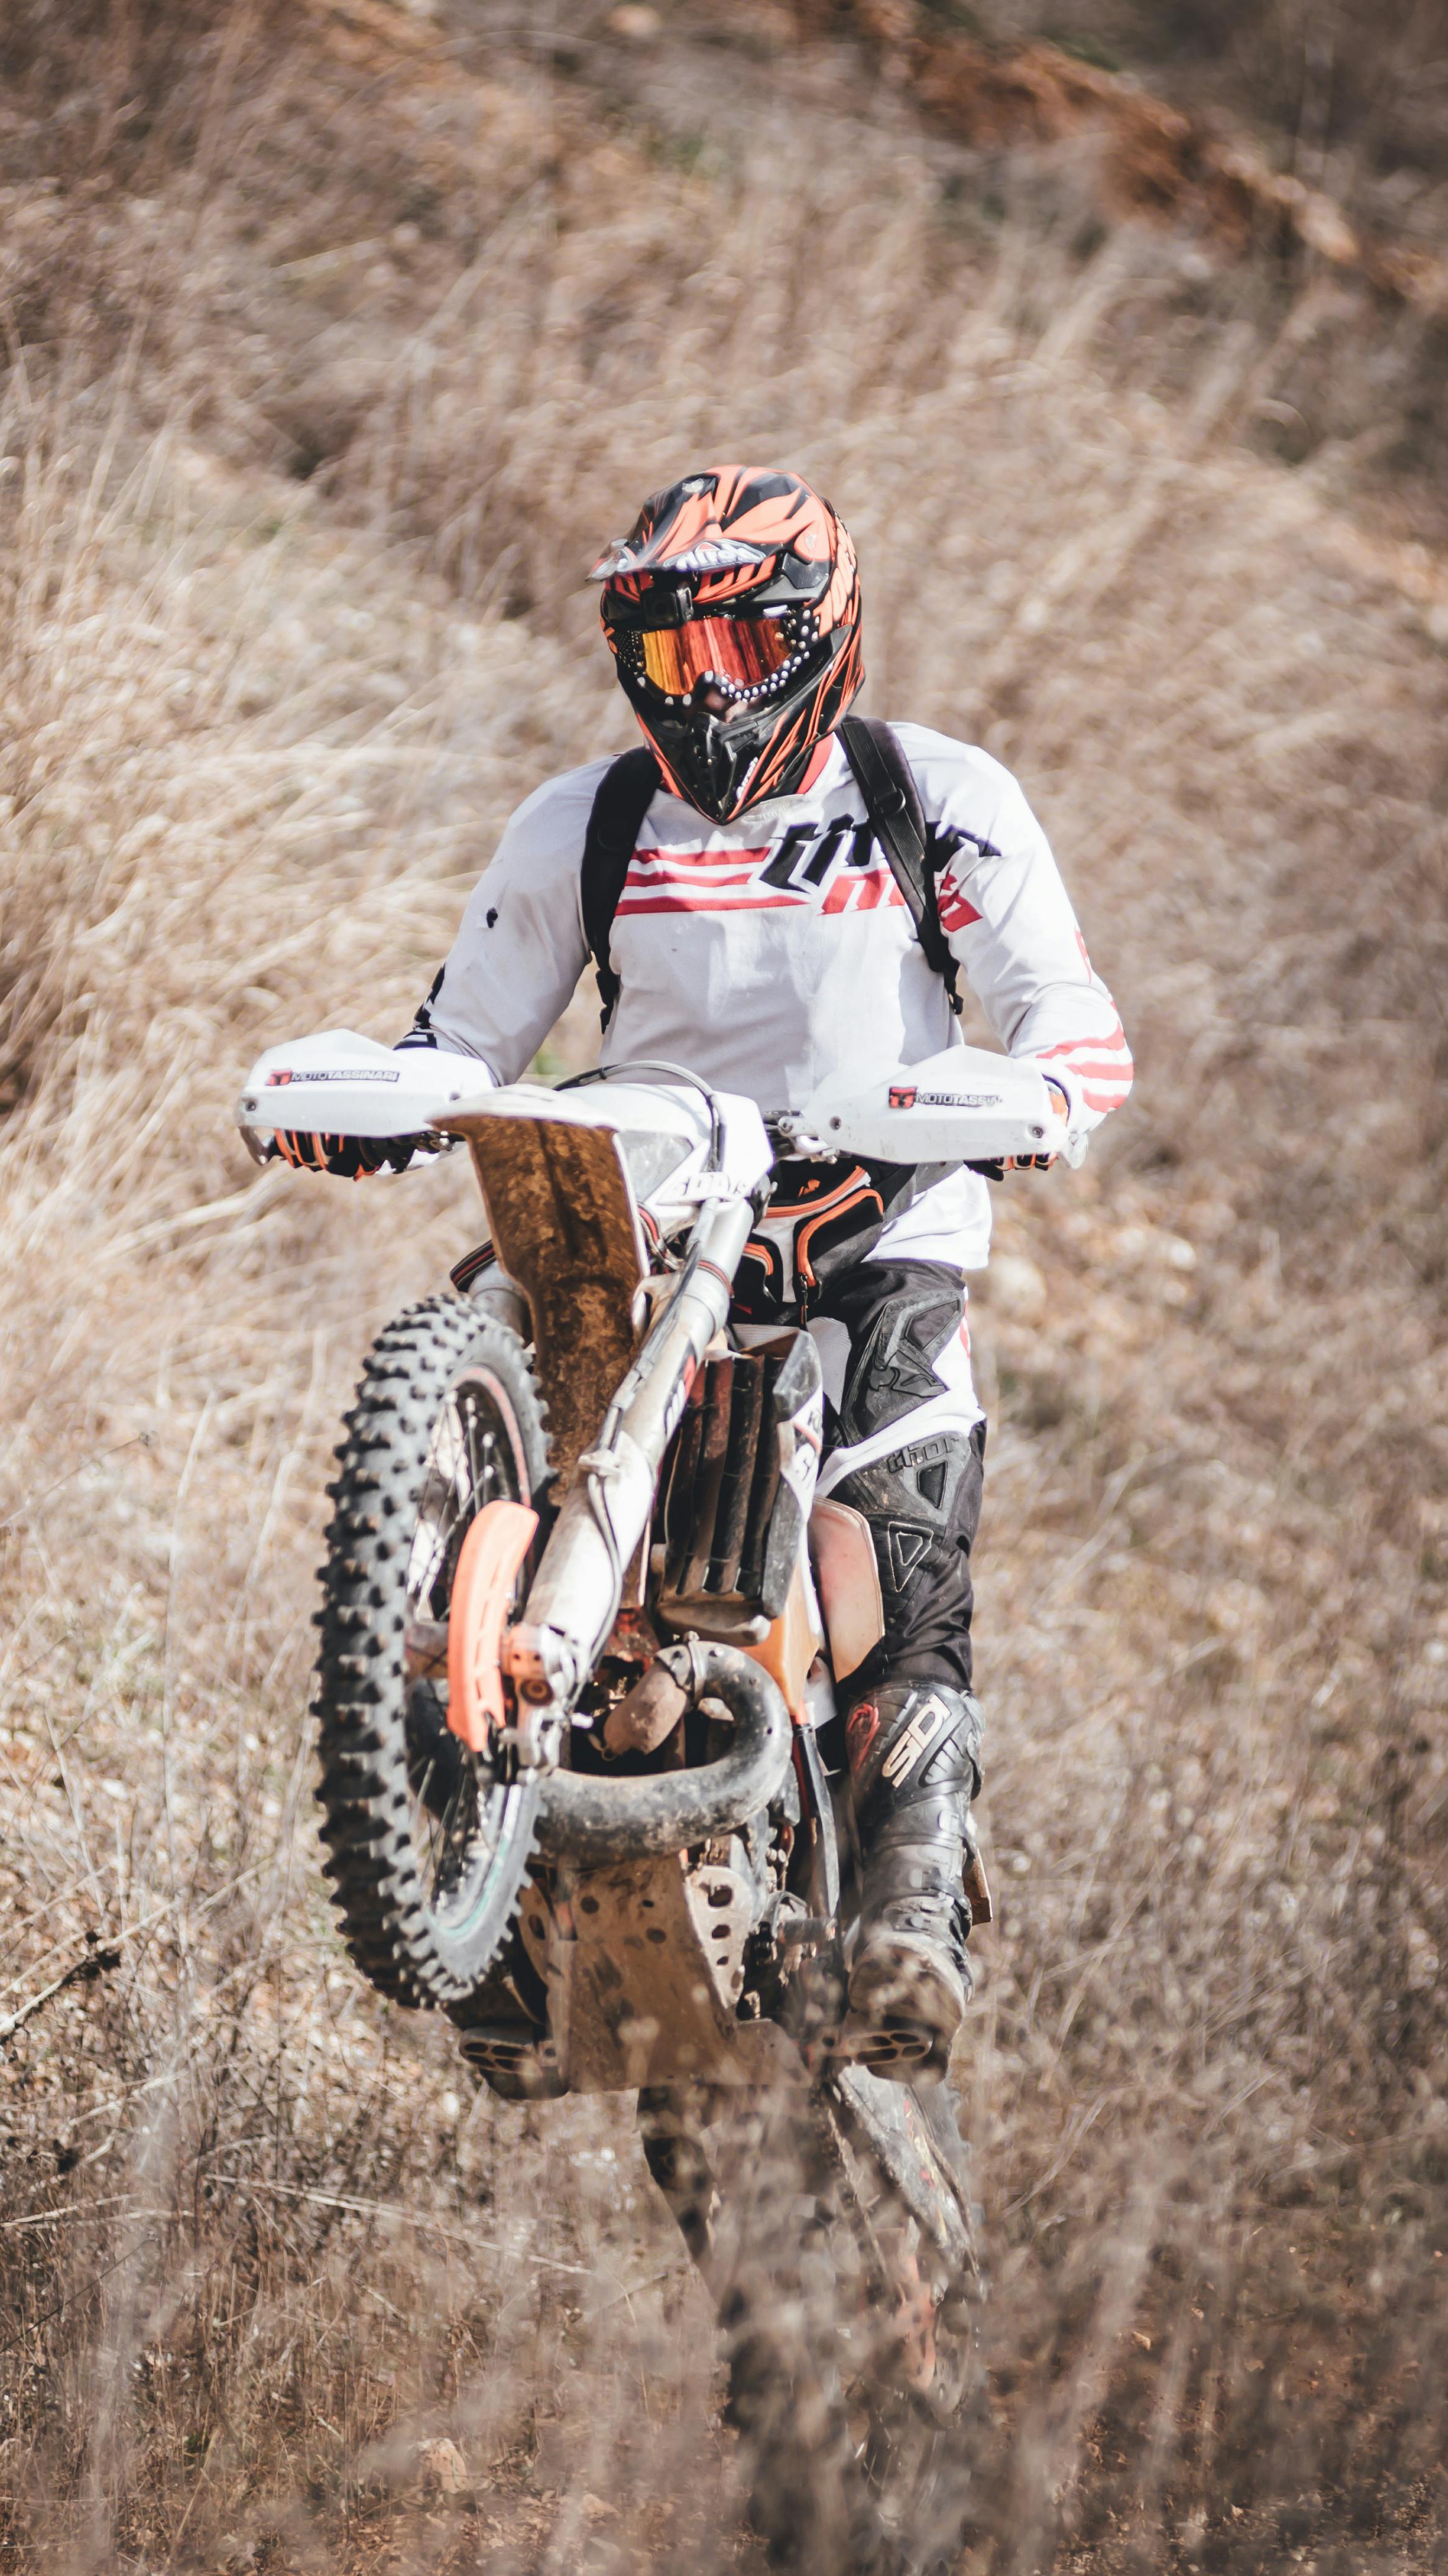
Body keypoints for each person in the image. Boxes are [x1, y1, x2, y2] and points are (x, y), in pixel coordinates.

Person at [280, 466, 1130, 2081]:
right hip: (646, 1215)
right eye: (668, 662)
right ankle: (463, 1820)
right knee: (483, 1360)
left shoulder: (932, 798)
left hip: (874, 1223)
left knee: (883, 1545)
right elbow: (462, 1038)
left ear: (819, 640)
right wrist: (373, 1109)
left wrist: (1042, 1094)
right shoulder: (587, 823)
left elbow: (1062, 1006)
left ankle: (914, 1911)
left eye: (735, 656)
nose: (701, 696)